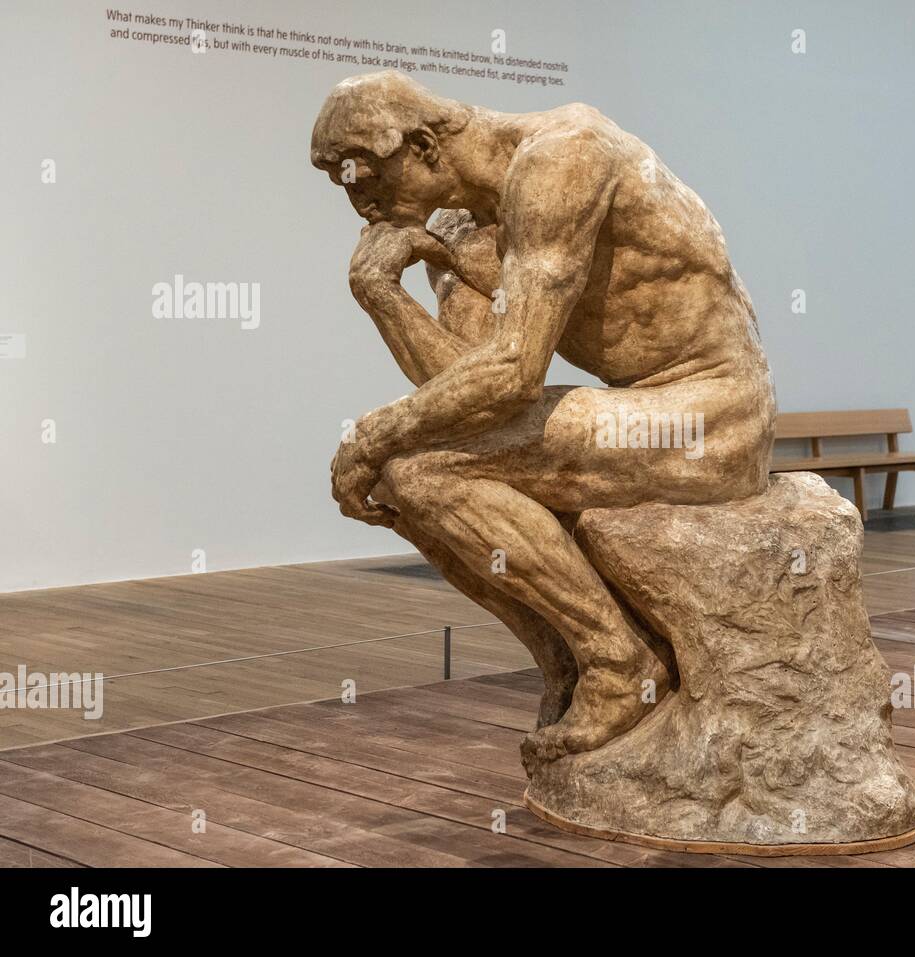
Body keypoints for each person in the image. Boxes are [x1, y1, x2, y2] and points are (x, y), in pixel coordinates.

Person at [310, 72, 777, 766]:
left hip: (711, 411)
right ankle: (568, 657)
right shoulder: (460, 223)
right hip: (640, 406)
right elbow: (469, 390)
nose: (361, 203)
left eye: (366, 177)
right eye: (346, 184)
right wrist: (380, 294)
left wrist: (376, 433)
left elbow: (512, 375)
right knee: (404, 475)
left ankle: (620, 664)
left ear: (424, 144)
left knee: (419, 465)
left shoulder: (564, 156)